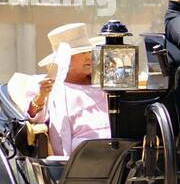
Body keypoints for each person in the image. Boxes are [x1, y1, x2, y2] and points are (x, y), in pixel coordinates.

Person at [15, 23, 111, 157]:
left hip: (117, 143)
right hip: (83, 151)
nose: (88, 57)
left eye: (89, 52)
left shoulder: (105, 82)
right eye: (81, 53)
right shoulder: (50, 86)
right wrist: (42, 95)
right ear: (66, 59)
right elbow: (33, 117)